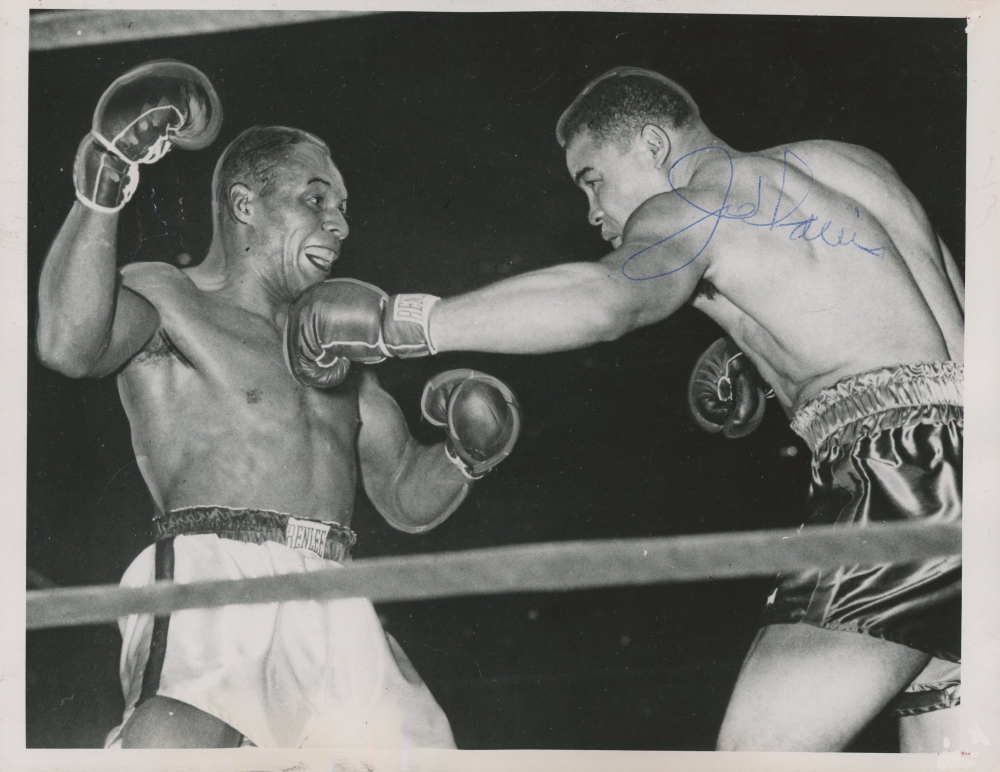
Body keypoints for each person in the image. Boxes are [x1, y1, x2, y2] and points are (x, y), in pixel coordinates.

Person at [284, 66, 964, 752]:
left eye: (592, 180)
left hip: (905, 484)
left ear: (651, 144)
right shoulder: (841, 164)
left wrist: (402, 323)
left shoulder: (688, 207)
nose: (593, 214)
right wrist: (758, 357)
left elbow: (605, 301)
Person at [35, 60, 521, 750]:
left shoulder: (335, 347)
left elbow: (405, 494)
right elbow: (66, 344)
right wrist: (106, 179)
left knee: (416, 754)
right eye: (317, 200)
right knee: (173, 743)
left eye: (344, 207)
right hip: (216, 568)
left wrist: (466, 453)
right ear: (243, 206)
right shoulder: (170, 297)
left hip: (334, 587)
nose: (341, 224)